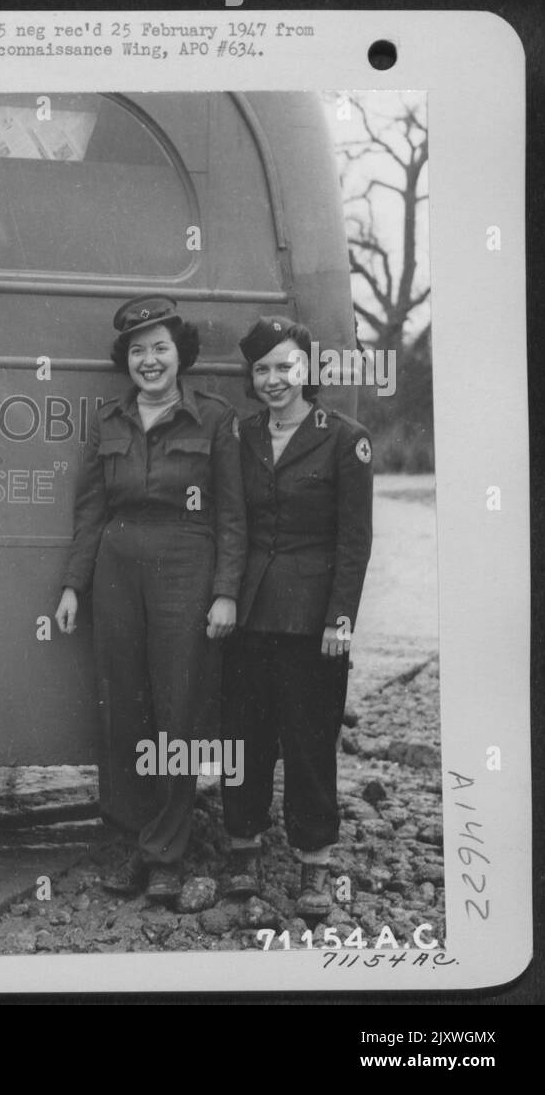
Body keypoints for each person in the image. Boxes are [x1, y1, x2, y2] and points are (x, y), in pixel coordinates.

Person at [55, 295, 246, 902]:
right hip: (116, 569)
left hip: (185, 567)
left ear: (179, 353)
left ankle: (166, 853)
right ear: (126, 360)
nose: (150, 360)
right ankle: (133, 841)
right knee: (124, 707)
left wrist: (224, 593)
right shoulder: (108, 421)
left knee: (176, 708)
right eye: (138, 351)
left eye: (160, 347)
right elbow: (90, 512)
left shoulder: (214, 419)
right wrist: (72, 584)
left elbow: (233, 517)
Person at [218, 317, 373, 918]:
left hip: (313, 622)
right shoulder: (243, 436)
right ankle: (243, 851)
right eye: (262, 369)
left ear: (308, 368)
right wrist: (226, 596)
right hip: (252, 616)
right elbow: (232, 524)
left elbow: (354, 541)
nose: (274, 379)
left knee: (310, 742)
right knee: (246, 735)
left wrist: (340, 620)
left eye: (285, 366)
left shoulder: (346, 438)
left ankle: (314, 864)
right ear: (251, 377)